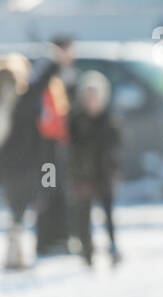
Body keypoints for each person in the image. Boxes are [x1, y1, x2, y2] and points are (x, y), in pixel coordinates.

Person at [66, 71, 122, 267]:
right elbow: (71, 150)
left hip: (104, 173)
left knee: (108, 212)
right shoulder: (76, 119)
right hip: (83, 174)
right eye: (88, 96)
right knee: (84, 213)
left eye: (95, 96)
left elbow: (115, 148)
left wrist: (114, 171)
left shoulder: (108, 119)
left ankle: (113, 247)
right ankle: (87, 250)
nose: (91, 101)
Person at [34, 36, 77, 255]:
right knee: (47, 190)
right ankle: (44, 240)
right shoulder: (47, 73)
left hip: (57, 145)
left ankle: (59, 238)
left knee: (59, 191)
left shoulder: (61, 76)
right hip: (46, 149)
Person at [0, 53, 38, 270]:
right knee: (18, 209)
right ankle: (15, 254)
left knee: (17, 209)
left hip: (10, 164)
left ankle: (14, 253)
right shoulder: (21, 101)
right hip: (18, 163)